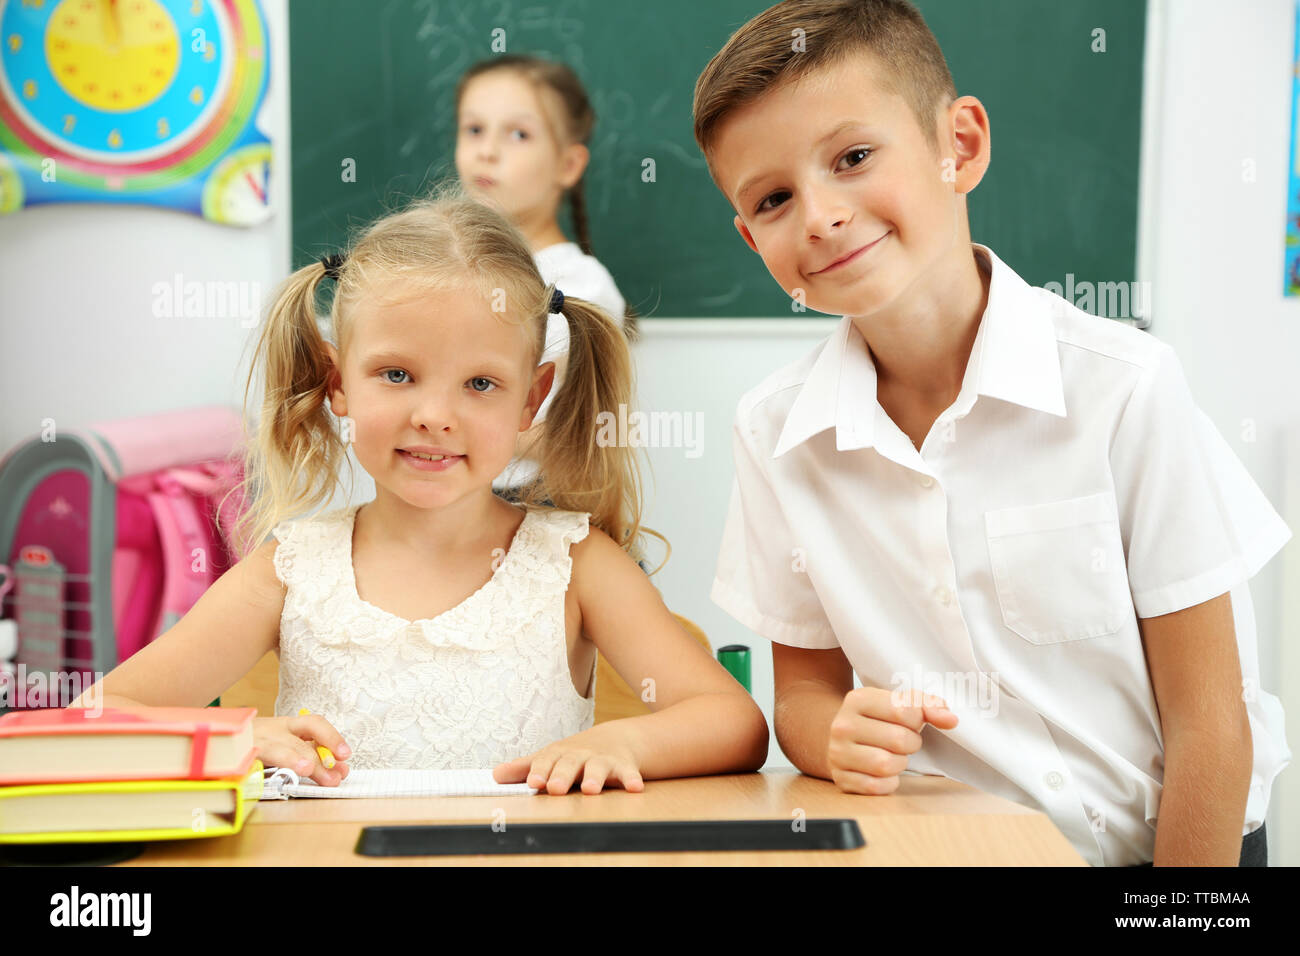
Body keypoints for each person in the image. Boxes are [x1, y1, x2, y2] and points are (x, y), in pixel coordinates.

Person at [695, 0, 1288, 865]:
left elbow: (1212, 721)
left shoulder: (1124, 387)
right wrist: (833, 738)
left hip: (1177, 855)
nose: (818, 214)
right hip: (957, 853)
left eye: (853, 157)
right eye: (775, 198)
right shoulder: (774, 431)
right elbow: (806, 696)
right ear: (754, 240)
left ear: (959, 146)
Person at [70, 187, 767, 796]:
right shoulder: (290, 569)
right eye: (397, 374)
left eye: (481, 384)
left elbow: (733, 723)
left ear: (533, 401)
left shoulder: (578, 565)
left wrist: (621, 744)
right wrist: (228, 739)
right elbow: (98, 716)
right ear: (338, 382)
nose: (435, 414)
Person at [454, 55, 631, 496]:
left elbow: (578, 436)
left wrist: (444, 427)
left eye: (518, 134)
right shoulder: (450, 271)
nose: (487, 150)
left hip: (534, 505)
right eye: (474, 129)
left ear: (568, 165)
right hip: (454, 501)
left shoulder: (583, 287)